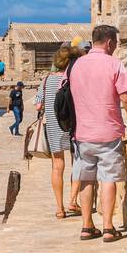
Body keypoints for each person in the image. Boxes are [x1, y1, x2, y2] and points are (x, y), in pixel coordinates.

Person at [69, 25, 127, 242]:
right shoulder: (114, 64)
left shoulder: (76, 66)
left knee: (85, 179)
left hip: (83, 132)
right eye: (115, 44)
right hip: (108, 132)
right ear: (110, 42)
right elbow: (126, 98)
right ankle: (108, 227)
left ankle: (86, 226)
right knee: (108, 179)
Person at [36, 46, 83, 219]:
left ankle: (59, 208)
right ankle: (73, 200)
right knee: (77, 162)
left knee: (57, 166)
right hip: (73, 124)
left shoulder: (47, 80)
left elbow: (38, 105)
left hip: (54, 126)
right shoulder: (75, 79)